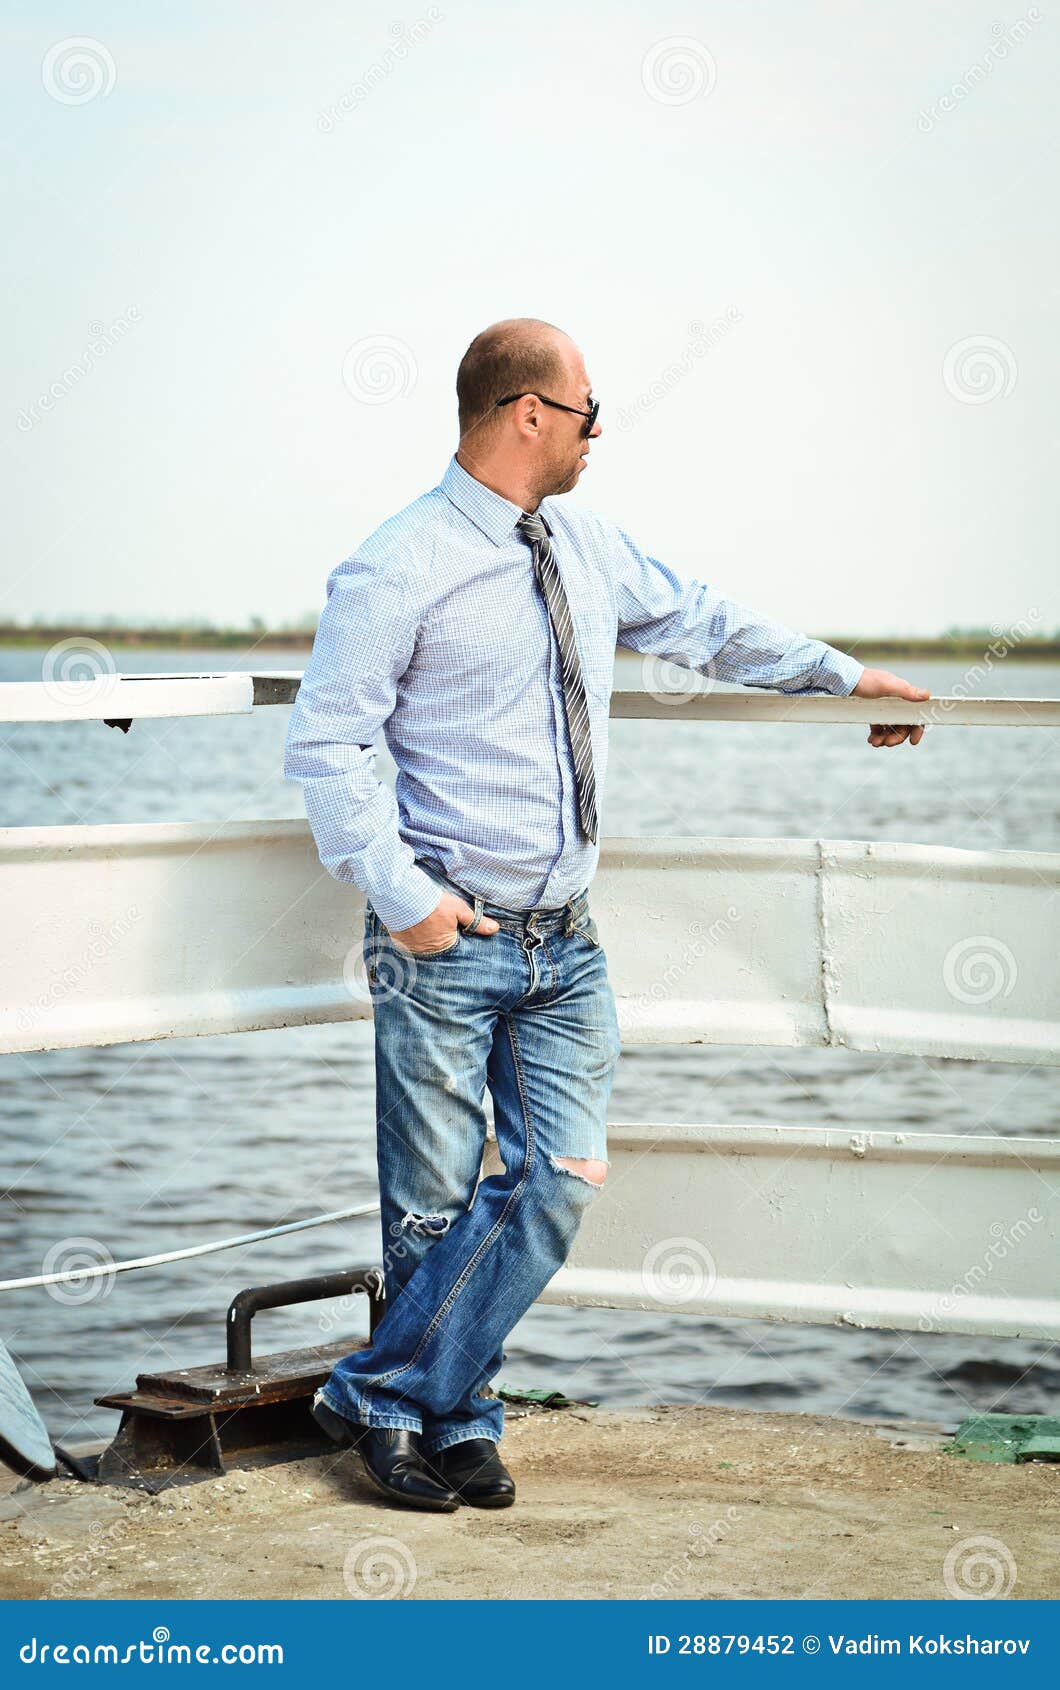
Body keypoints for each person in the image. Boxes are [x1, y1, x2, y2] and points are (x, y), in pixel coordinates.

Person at [283, 318, 929, 1512]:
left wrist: (843, 675)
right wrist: (403, 897)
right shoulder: (401, 561)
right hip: (447, 936)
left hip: (564, 941)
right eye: (589, 413)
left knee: (557, 1179)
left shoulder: (584, 543)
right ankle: (455, 1418)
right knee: (429, 1211)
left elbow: (708, 622)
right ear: (527, 411)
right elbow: (324, 744)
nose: (595, 436)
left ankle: (378, 1394)